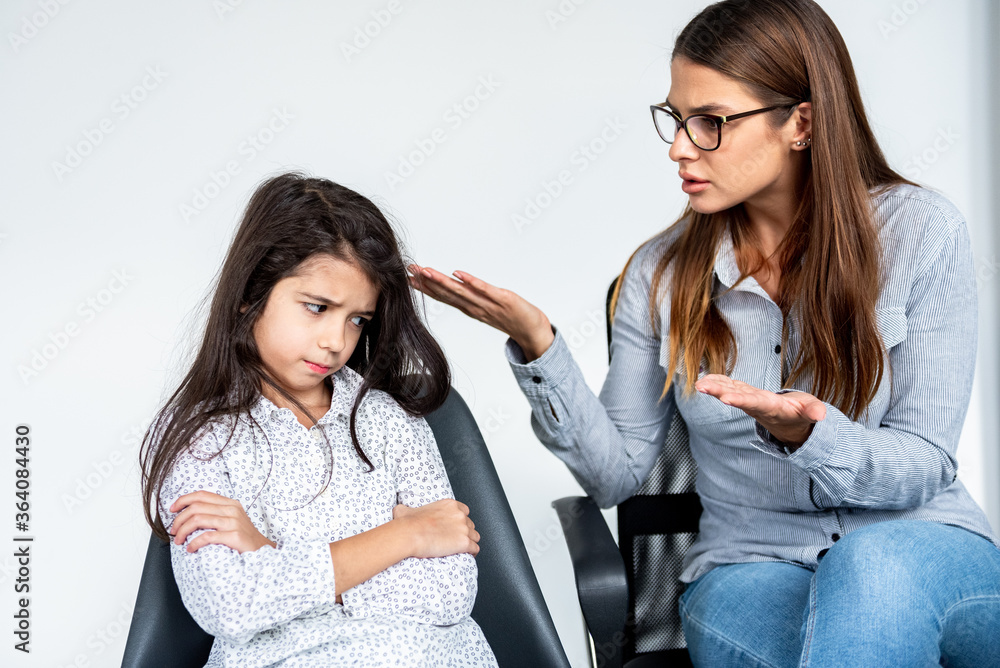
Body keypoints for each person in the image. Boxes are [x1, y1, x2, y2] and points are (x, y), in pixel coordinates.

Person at [407, 0, 1000, 666]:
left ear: (800, 123)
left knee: (871, 570)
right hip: (752, 565)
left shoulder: (922, 233)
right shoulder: (660, 276)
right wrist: (539, 343)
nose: (679, 146)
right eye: (676, 117)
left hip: (922, 547)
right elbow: (615, 476)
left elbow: (925, 462)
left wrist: (815, 437)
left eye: (711, 122)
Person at [139, 172, 498, 667]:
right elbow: (233, 605)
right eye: (317, 307)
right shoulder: (201, 439)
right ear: (251, 295)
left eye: (357, 319)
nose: (336, 341)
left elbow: (450, 592)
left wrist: (271, 555)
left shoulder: (388, 419)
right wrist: (404, 537)